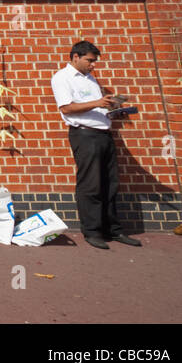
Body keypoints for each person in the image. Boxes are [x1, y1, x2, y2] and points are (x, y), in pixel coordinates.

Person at [51, 40, 141, 249]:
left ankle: (113, 230)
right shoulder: (61, 78)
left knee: (110, 184)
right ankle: (92, 232)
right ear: (75, 57)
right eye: (89, 61)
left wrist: (110, 108)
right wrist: (98, 103)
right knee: (91, 184)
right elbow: (66, 108)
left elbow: (93, 108)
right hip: (84, 135)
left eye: (94, 61)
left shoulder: (90, 79)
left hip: (103, 134)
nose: (93, 65)